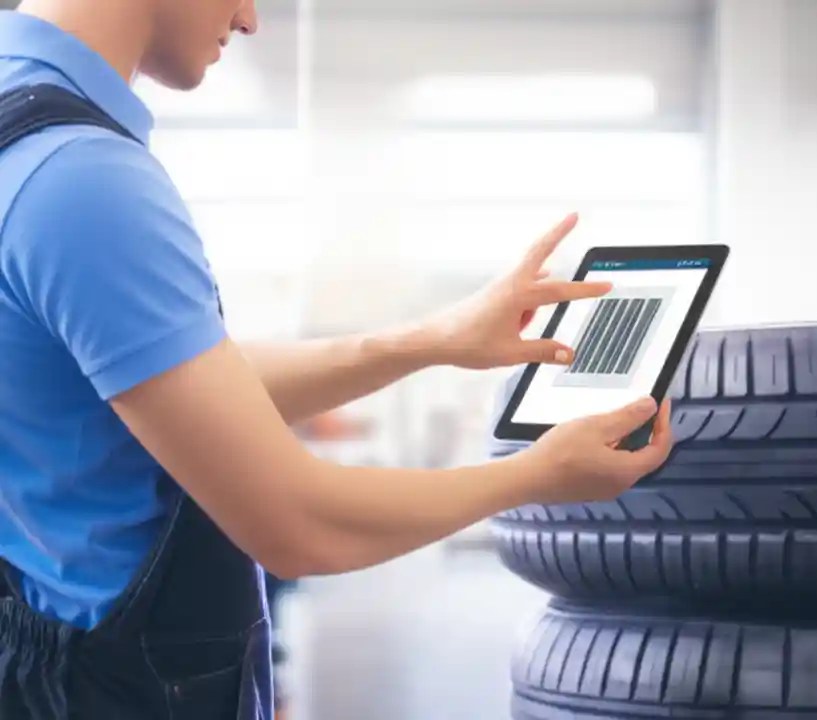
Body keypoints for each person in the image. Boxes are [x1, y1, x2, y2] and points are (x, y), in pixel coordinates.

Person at [0, 0, 673, 717]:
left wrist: (432, 340)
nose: (251, 18)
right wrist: (538, 475)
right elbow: (297, 524)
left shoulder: (22, 124)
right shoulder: (85, 180)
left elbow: (175, 391)